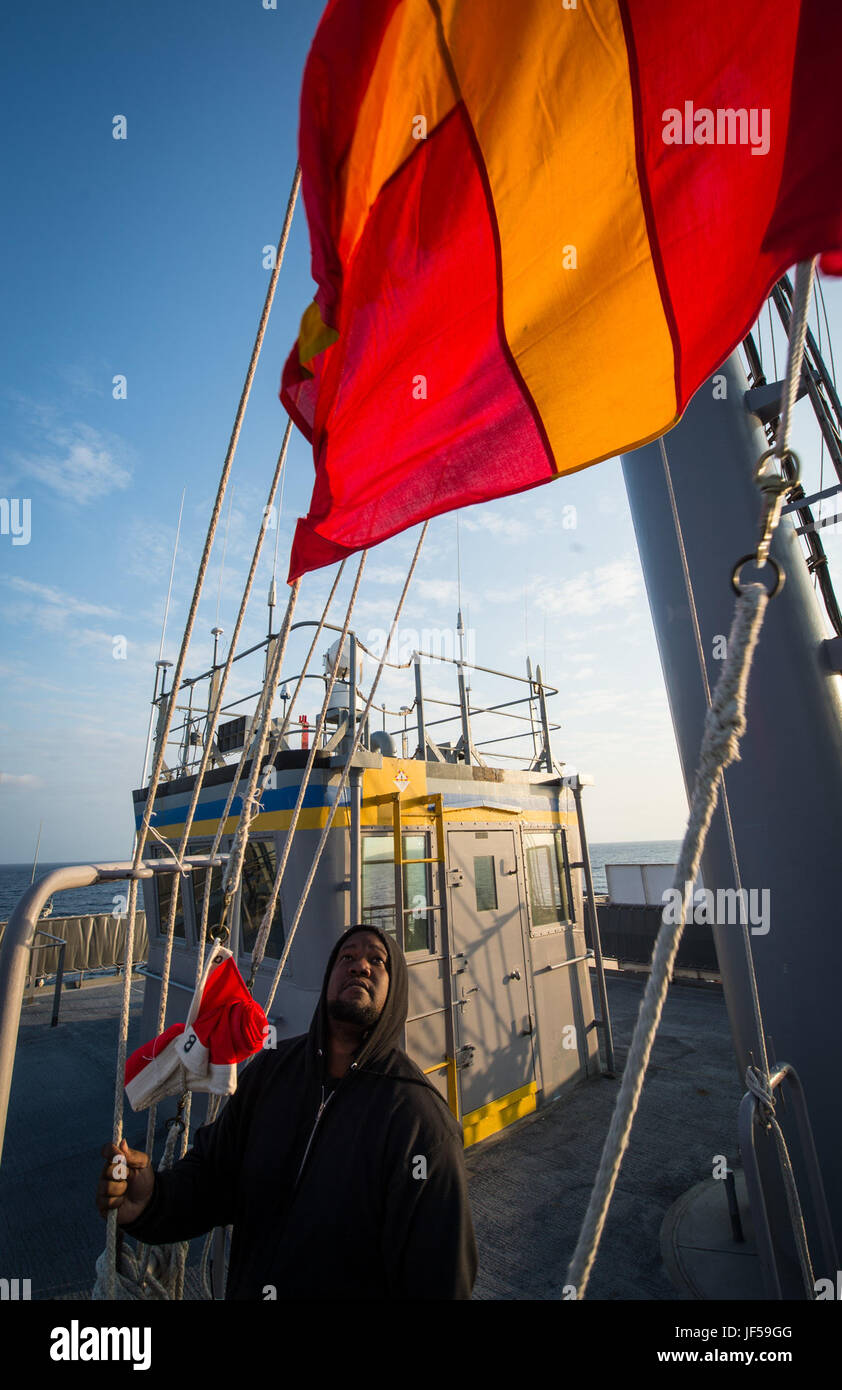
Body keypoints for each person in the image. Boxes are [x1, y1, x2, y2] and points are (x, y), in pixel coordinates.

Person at [97, 924, 478, 1300]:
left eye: (376, 961)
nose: (360, 965)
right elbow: (214, 1176)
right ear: (328, 979)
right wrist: (151, 1200)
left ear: (395, 993)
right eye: (347, 956)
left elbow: (440, 1276)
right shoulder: (271, 1071)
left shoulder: (419, 1121)